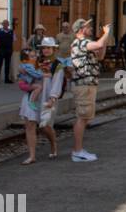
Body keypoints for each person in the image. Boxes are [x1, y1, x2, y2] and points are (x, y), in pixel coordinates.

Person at [69, 17, 110, 163]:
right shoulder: (81, 42)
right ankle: (77, 151)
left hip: (88, 84)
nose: (91, 28)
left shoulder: (84, 44)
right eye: (88, 26)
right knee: (82, 117)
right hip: (84, 84)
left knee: (85, 117)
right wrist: (106, 34)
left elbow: (100, 55)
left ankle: (79, 150)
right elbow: (98, 44)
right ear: (81, 29)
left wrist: (103, 40)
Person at [19, 38, 65, 166]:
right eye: (44, 47)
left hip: (47, 97)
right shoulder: (34, 61)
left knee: (45, 126)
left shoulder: (57, 65)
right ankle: (32, 156)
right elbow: (23, 68)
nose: (45, 50)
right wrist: (22, 71)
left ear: (54, 49)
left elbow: (57, 83)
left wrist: (52, 98)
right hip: (32, 95)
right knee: (30, 125)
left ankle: (53, 144)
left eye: (48, 48)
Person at [0, 19, 16, 84]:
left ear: (8, 25)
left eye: (7, 23)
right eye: (4, 23)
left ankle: (7, 79)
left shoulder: (12, 32)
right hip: (1, 50)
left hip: (9, 50)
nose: (5, 25)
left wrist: (12, 50)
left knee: (7, 65)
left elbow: (14, 41)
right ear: (2, 24)